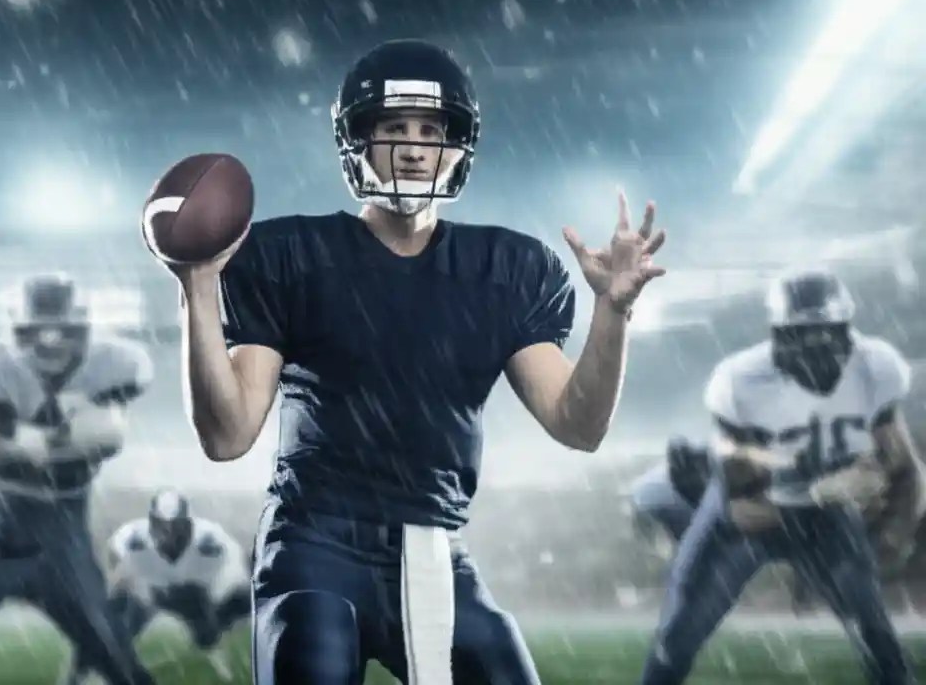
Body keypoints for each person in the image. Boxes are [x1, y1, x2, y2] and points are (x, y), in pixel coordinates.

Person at [160, 38, 666, 684]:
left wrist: (612, 314)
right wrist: (198, 286)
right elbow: (228, 436)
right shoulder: (290, 254)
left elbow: (578, 425)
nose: (412, 145)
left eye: (430, 129)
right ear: (357, 140)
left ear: (456, 144)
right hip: (315, 546)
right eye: (392, 127)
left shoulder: (506, 269)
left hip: (434, 550)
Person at [639, 269, 919, 684]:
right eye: (804, 336)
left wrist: (895, 532)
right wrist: (797, 474)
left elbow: (905, 467)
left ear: (847, 330)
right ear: (778, 336)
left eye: (828, 334)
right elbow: (739, 507)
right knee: (678, 638)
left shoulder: (876, 367)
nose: (819, 349)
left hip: (827, 516)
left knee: (877, 637)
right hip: (753, 515)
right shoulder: (742, 380)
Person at [0, 273, 154, 685]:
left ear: (83, 328)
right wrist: (63, 438)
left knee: (118, 662)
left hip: (61, 523)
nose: (50, 343)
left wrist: (43, 441)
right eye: (36, 331)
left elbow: (109, 435)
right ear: (15, 328)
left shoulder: (114, 364)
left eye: (62, 331)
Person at [72, 489, 250, 683]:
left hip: (196, 597)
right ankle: (84, 670)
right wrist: (121, 579)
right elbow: (115, 554)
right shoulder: (134, 536)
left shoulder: (210, 538)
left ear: (187, 523)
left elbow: (235, 567)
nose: (167, 533)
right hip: (153, 595)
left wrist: (217, 605)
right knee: (107, 624)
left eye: (174, 526)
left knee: (237, 609)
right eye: (161, 526)